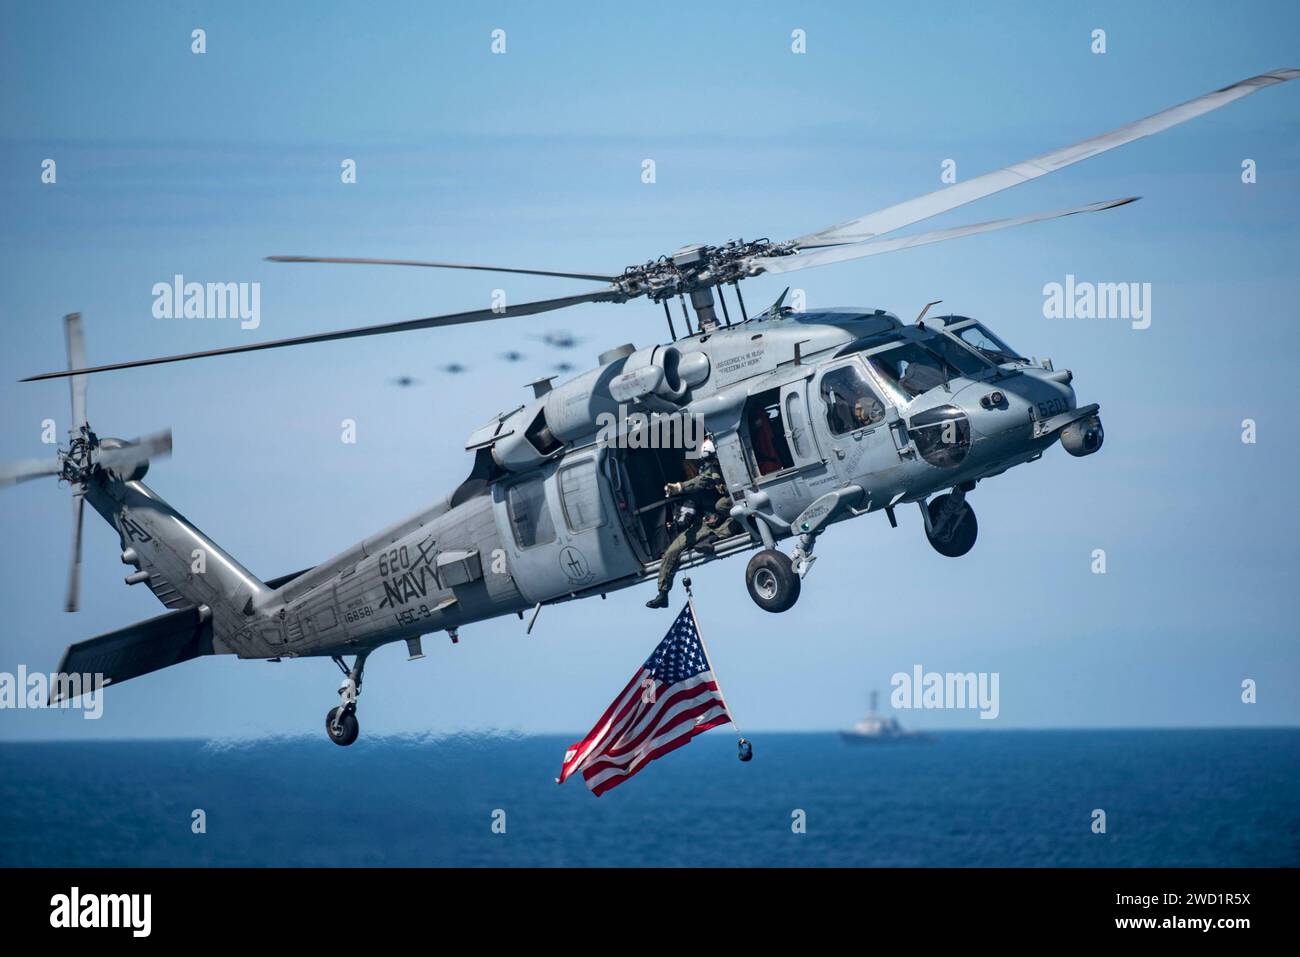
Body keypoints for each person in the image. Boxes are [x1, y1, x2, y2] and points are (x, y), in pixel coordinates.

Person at [646, 438, 742, 609]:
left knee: (724, 512)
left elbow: (702, 481)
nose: (710, 463)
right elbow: (695, 494)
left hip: (725, 519)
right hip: (705, 521)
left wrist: (680, 487)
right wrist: (678, 520)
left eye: (712, 459)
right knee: (672, 551)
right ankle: (662, 594)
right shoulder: (704, 477)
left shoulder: (725, 472)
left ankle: (711, 538)